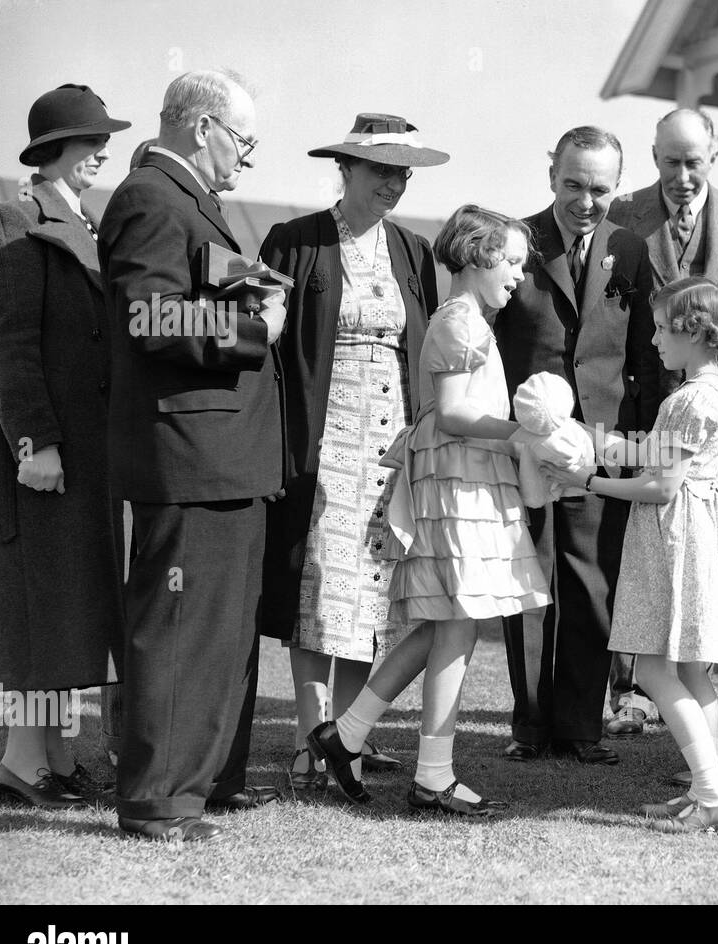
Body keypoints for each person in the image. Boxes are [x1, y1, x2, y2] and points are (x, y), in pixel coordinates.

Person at [307, 205, 550, 816]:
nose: (519, 277)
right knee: (458, 623)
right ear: (477, 256)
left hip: (467, 483)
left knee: (446, 623)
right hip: (456, 487)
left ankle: (349, 732)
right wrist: (521, 430)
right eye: (513, 262)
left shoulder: (471, 322)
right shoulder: (461, 322)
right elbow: (452, 415)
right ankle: (431, 774)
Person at [98, 70, 287, 843]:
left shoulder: (186, 202)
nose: (248, 158)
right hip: (190, 455)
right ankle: (157, 802)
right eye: (243, 141)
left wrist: (248, 291)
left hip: (221, 459)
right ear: (202, 126)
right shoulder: (150, 198)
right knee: (180, 631)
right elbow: (149, 315)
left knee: (217, 633)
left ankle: (195, 786)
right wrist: (257, 330)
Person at [259, 114, 446, 792]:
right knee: (317, 583)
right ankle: (311, 738)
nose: (394, 183)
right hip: (321, 433)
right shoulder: (297, 240)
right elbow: (269, 347)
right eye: (380, 170)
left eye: (403, 172)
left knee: (372, 593)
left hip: (391, 438)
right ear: (346, 170)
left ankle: (350, 738)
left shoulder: (412, 250)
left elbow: (423, 347)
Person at [544, 277, 718, 832]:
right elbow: (659, 455)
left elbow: (662, 486)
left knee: (654, 666)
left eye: (665, 328)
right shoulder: (711, 393)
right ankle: (704, 788)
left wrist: (591, 482)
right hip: (697, 535)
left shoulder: (688, 399)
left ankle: (716, 794)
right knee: (690, 670)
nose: (657, 338)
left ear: (696, 332)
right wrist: (601, 441)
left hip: (677, 540)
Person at [0, 84, 129, 808]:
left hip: (83, 453)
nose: (102, 152)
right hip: (40, 451)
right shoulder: (13, 218)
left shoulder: (86, 222)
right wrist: (33, 439)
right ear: (52, 151)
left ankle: (59, 757)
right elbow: (6, 344)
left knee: (71, 604)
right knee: (39, 607)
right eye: (90, 141)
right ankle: (21, 762)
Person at [492, 126, 659, 766]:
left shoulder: (630, 248)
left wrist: (637, 442)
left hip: (602, 448)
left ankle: (581, 727)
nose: (585, 200)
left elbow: (646, 353)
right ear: (551, 175)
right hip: (527, 446)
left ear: (615, 188)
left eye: (600, 189)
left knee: (593, 589)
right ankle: (530, 728)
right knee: (528, 584)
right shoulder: (515, 241)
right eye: (573, 185)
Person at [603, 107, 718, 737]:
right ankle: (627, 692)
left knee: (694, 571)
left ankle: (687, 693)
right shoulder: (621, 214)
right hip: (640, 408)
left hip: (706, 415)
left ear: (712, 155)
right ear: (653, 155)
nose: (682, 176)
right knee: (635, 561)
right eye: (670, 161)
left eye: (694, 162)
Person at [100, 135, 158, 772]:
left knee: (138, 599)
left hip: (129, 447)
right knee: (136, 604)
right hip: (129, 446)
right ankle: (126, 744)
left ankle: (126, 742)